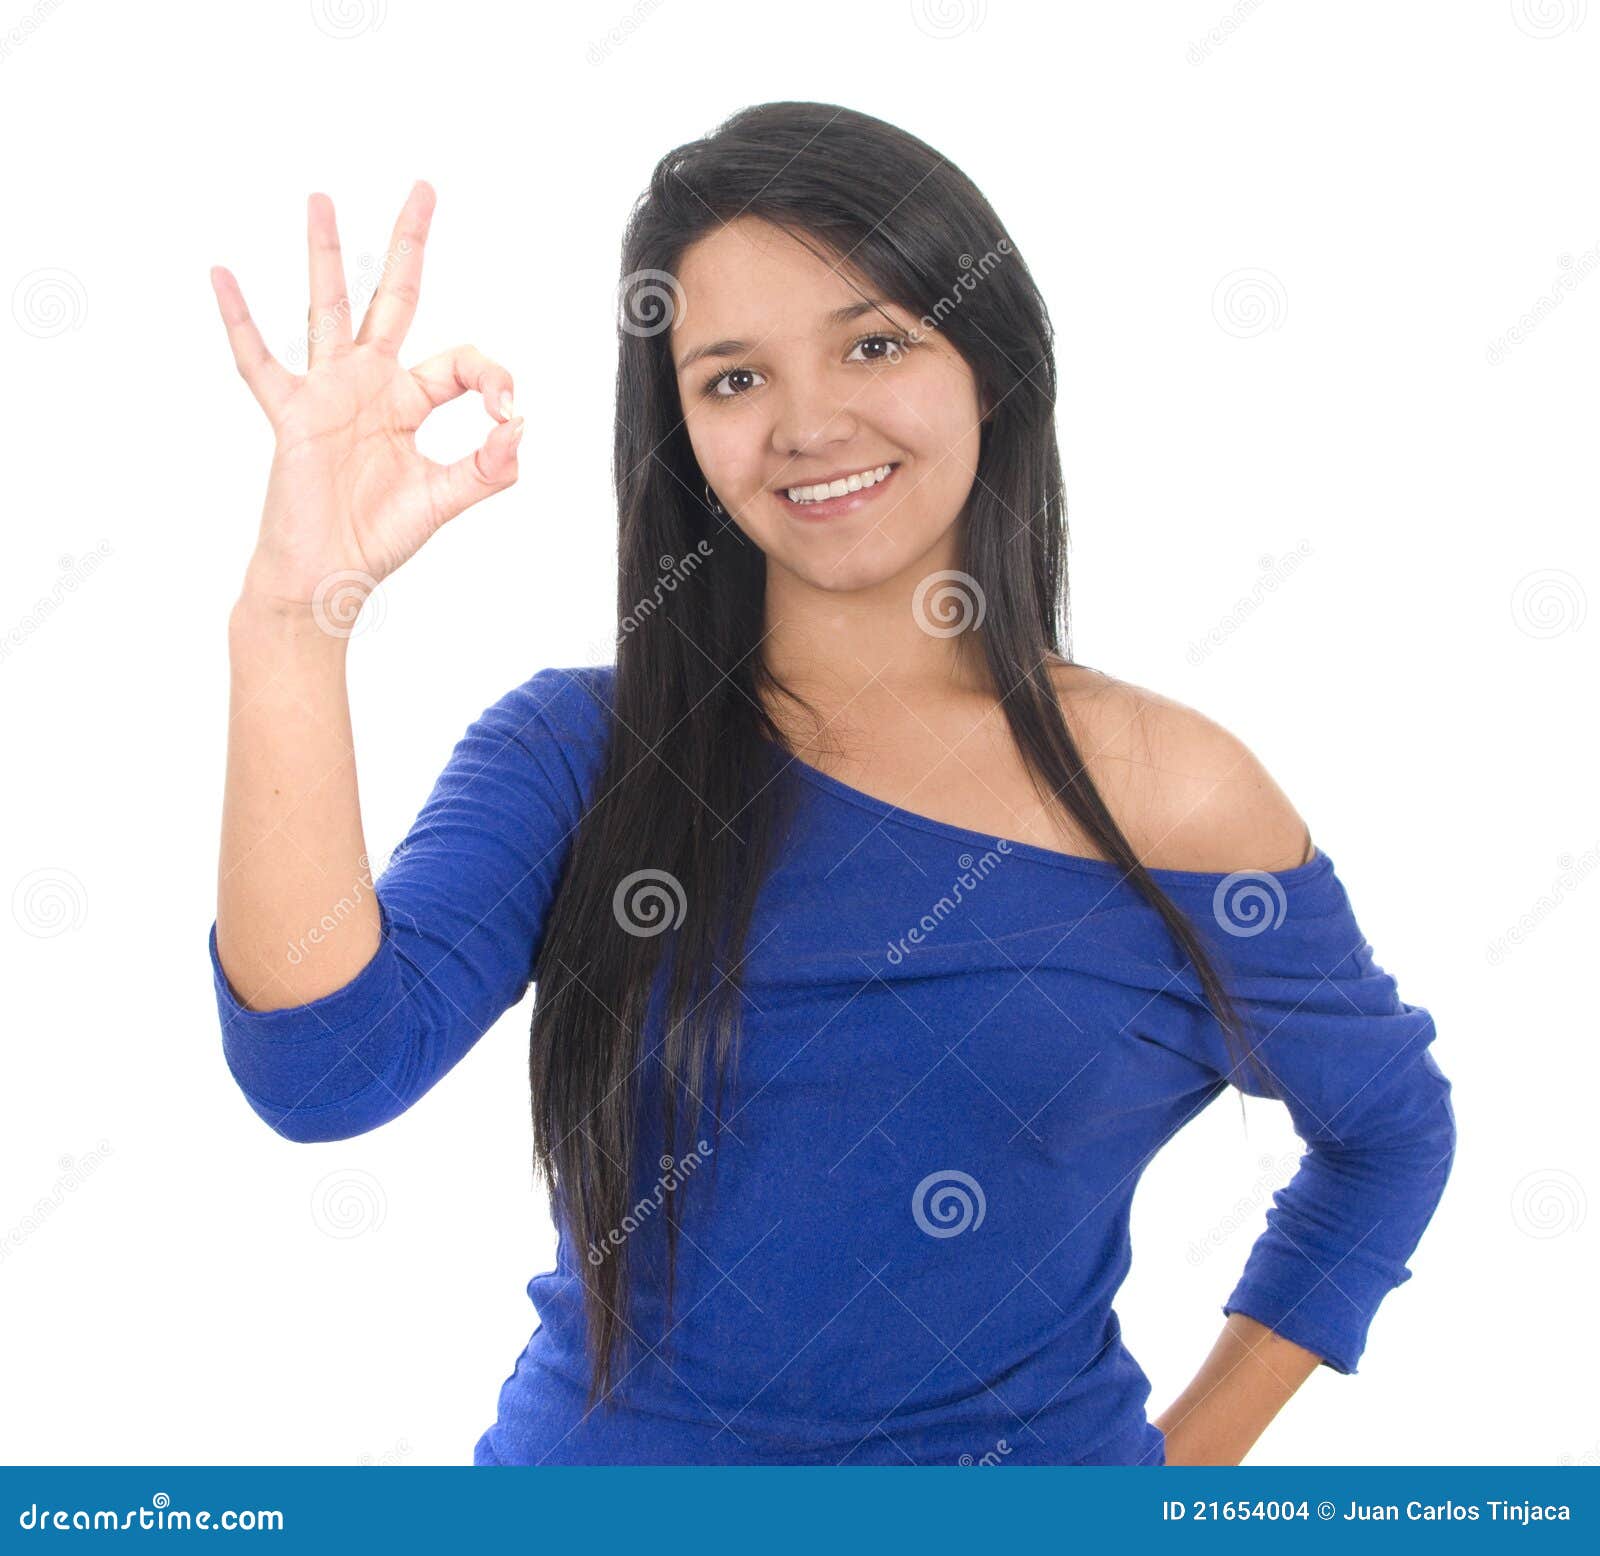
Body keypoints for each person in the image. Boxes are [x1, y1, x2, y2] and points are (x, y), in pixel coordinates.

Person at [206, 102, 1456, 1467]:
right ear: (680, 428)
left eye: (873, 343)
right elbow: (323, 1073)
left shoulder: (1176, 794)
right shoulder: (577, 753)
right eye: (732, 378)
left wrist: (1168, 1481)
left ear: (989, 366)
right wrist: (289, 617)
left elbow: (1386, 1133)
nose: (807, 422)